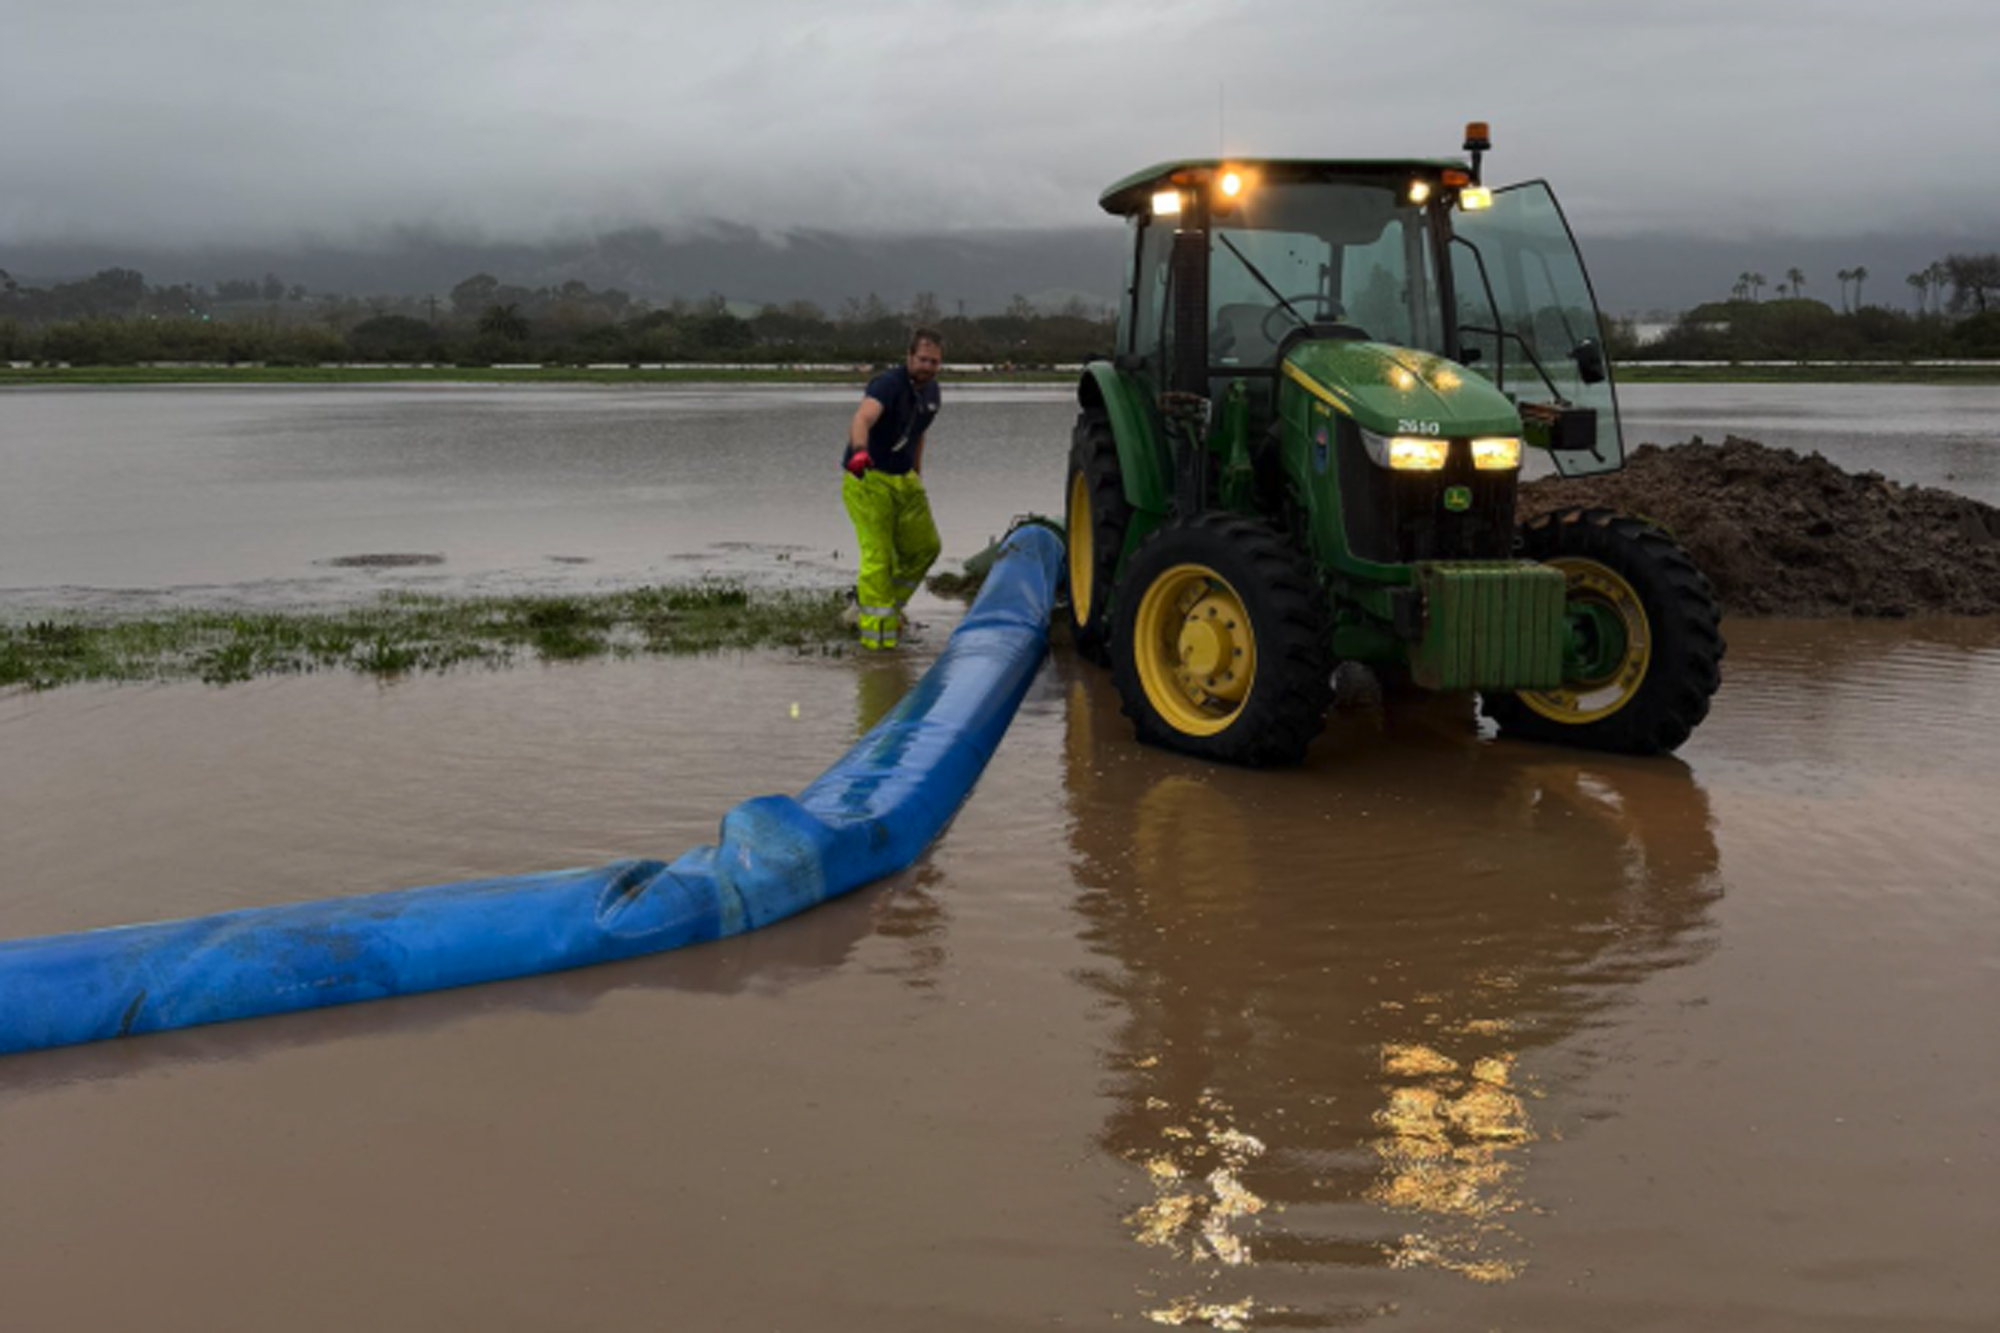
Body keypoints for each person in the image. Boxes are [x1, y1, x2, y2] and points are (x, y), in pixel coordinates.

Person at [841, 328, 944, 651]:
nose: (927, 366)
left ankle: (870, 606)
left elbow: (918, 433)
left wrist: (917, 473)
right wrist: (860, 451)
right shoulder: (887, 385)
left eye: (934, 361)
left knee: (925, 548)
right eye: (922, 359)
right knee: (879, 557)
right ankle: (876, 646)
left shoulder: (932, 392)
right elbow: (862, 418)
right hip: (868, 476)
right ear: (909, 357)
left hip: (903, 478)